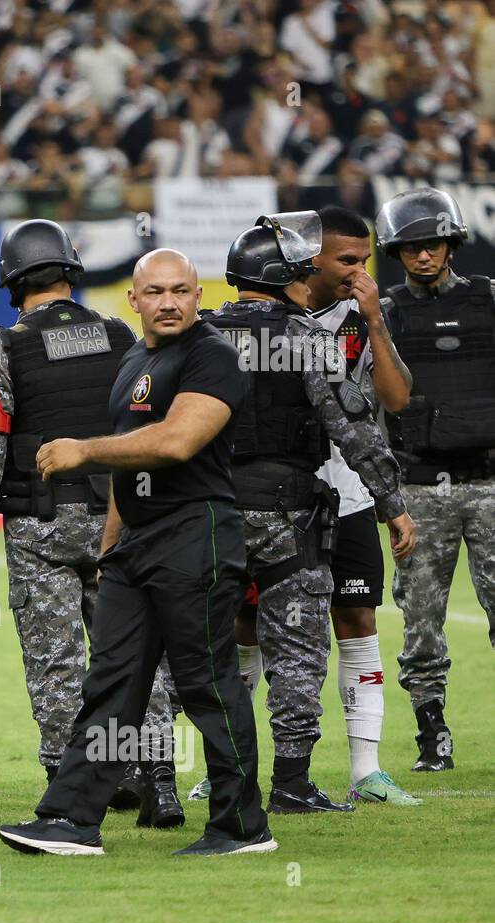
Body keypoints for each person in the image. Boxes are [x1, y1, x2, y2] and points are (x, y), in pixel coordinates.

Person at [0, 249, 275, 858]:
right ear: (134, 299)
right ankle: (70, 821)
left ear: (198, 296)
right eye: (156, 292)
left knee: (206, 682)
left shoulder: (213, 355)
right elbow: (132, 460)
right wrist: (108, 545)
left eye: (181, 290)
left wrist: (83, 450)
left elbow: (175, 443)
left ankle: (241, 826)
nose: (170, 302)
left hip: (195, 532)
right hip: (136, 542)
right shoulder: (133, 360)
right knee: (111, 683)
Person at [0, 218, 182, 828]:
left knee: (55, 662)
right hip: (120, 519)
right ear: (71, 269)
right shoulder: (120, 335)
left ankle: (70, 791)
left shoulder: (0, 351)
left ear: (11, 279)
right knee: (134, 656)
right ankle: (158, 782)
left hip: (40, 525)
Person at [198, 212, 416, 815]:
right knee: (296, 644)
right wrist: (394, 504)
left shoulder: (201, 335)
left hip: (208, 513)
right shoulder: (304, 338)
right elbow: (355, 429)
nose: (359, 272)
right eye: (345, 260)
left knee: (193, 641)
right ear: (298, 269)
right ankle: (290, 782)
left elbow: (156, 428)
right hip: (293, 511)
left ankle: (182, 775)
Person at [375, 187, 495, 772]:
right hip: (420, 488)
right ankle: (432, 736)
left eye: (434, 244)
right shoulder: (387, 315)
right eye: (412, 247)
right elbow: (371, 404)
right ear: (398, 253)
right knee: (421, 621)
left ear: (452, 243)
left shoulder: (489, 302)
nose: (424, 256)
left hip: (492, 484)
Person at [307, 205, 420, 804]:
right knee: (247, 628)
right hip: (281, 498)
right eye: (346, 260)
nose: (359, 271)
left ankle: (365, 770)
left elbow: (397, 399)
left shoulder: (365, 314)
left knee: (358, 623)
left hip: (351, 492)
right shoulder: (273, 313)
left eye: (365, 259)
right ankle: (233, 769)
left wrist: (374, 320)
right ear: (313, 257)